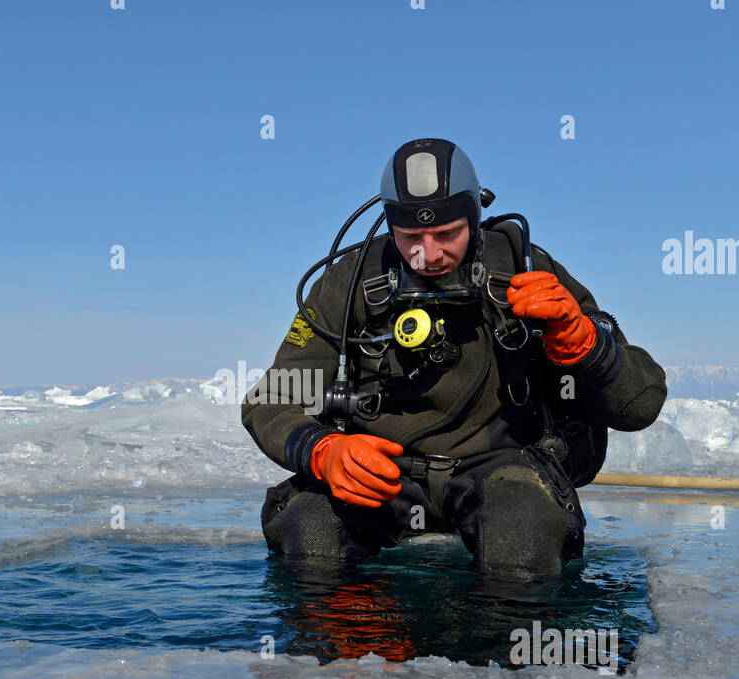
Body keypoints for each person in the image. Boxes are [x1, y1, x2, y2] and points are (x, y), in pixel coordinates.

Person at [243, 138, 667, 575]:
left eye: (447, 234)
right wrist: (323, 450)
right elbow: (271, 399)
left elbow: (641, 404)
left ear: (474, 218)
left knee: (523, 526)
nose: (428, 254)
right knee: (311, 526)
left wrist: (583, 342)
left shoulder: (525, 268)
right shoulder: (347, 283)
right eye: (410, 237)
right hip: (383, 471)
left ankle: (503, 640)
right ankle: (353, 636)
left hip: (503, 468)